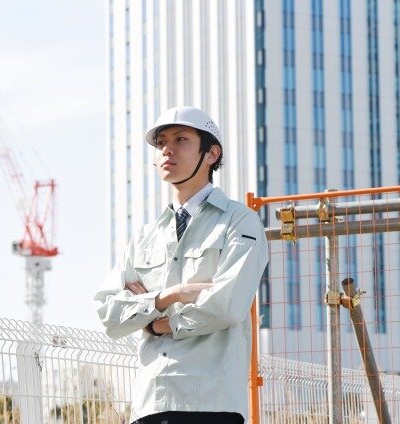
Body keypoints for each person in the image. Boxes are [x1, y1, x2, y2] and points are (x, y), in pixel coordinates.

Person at [94, 106, 269, 424]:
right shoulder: (144, 236)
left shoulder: (239, 221)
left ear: (211, 153)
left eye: (181, 139)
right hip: (149, 401)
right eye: (161, 142)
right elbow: (109, 314)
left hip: (210, 403)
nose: (167, 149)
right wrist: (169, 296)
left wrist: (156, 324)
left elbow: (227, 306)